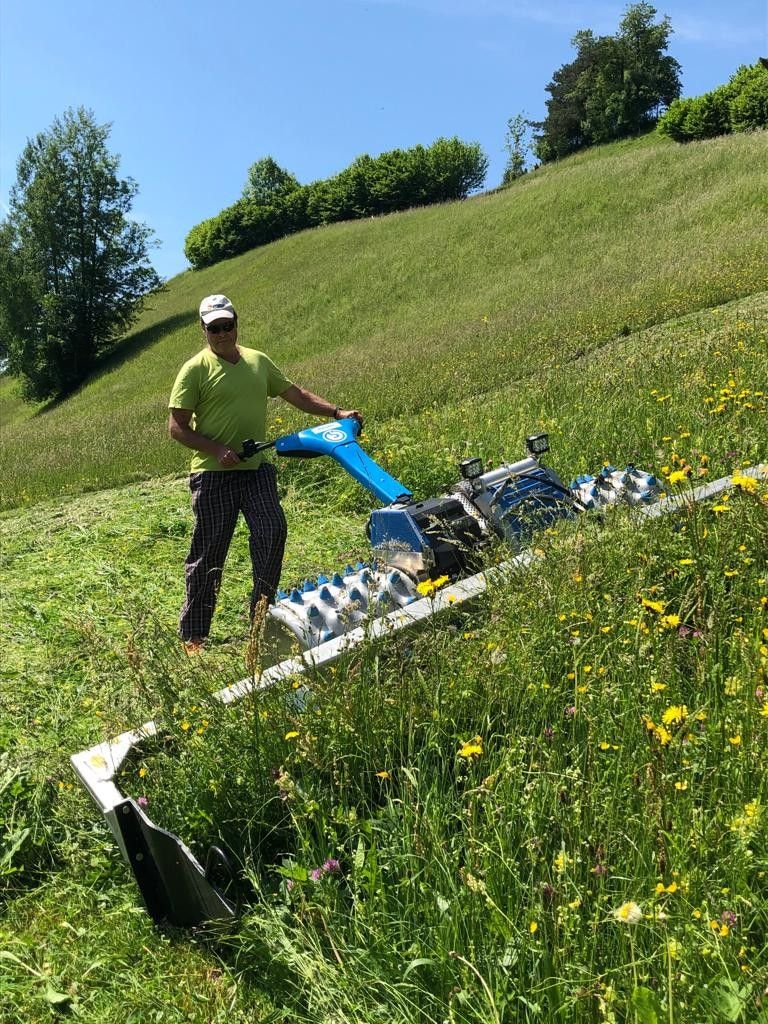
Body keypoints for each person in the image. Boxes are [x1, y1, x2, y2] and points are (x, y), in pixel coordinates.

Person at [169, 294, 362, 650]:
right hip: (213, 475)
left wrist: (336, 413)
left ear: (236, 323)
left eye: (227, 325)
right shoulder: (195, 369)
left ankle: (262, 618)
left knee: (272, 532)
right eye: (214, 328)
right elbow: (177, 428)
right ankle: (194, 635)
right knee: (209, 554)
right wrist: (217, 449)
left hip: (255, 468)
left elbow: (297, 394)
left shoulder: (258, 361)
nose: (222, 333)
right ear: (203, 329)